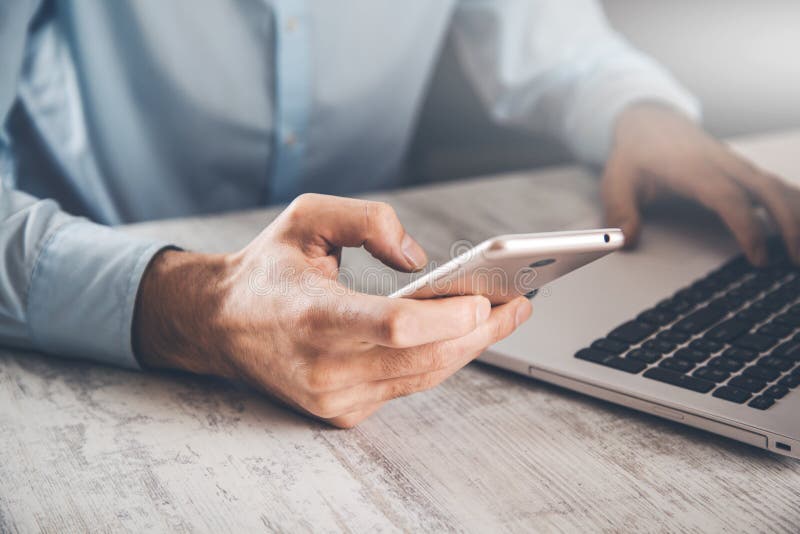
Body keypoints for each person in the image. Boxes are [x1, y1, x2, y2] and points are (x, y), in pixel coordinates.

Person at [1, 1, 798, 428]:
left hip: (383, 297)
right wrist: (194, 305)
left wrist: (642, 115)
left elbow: (559, 47)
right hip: (79, 350)